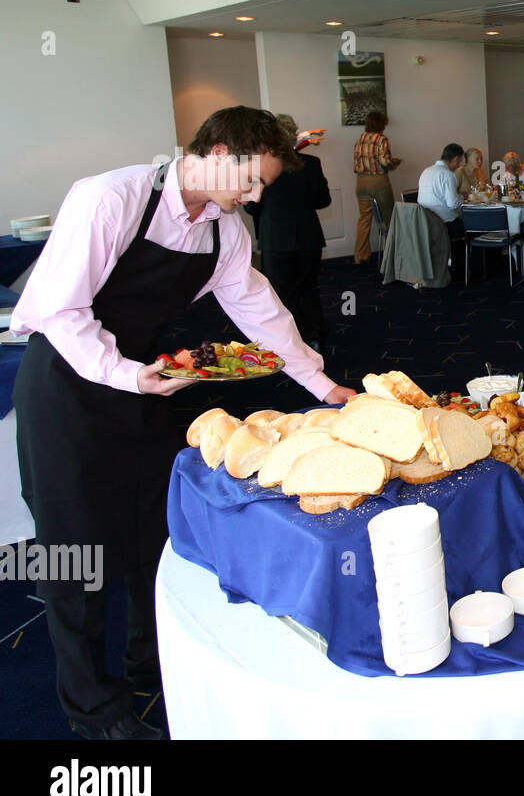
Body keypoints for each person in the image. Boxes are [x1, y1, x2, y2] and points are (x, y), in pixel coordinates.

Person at [10, 106, 356, 740]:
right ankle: (94, 710)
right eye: (251, 182)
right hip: (65, 385)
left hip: (145, 384)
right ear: (218, 153)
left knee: (154, 531)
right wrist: (124, 373)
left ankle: (150, 664)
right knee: (72, 550)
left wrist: (324, 385)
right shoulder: (109, 198)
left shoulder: (224, 231)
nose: (255, 197)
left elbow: (261, 311)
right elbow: (60, 313)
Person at [243, 113, 331, 348]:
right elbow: (323, 201)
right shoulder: (312, 163)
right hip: (309, 237)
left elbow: (251, 207)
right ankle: (314, 335)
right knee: (308, 287)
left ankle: (291, 340)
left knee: (281, 292)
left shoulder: (261, 167)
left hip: (275, 239)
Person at [352, 110, 401, 263]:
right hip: (378, 181)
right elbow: (384, 161)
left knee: (364, 219)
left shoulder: (360, 138)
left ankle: (360, 255)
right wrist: (394, 163)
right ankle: (394, 253)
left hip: (361, 181)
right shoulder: (381, 139)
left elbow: (356, 163)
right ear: (381, 124)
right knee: (389, 217)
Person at [418, 143, 466, 240]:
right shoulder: (448, 174)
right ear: (455, 159)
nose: (459, 165)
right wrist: (462, 197)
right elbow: (453, 204)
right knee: (473, 226)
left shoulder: (426, 170)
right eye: (460, 161)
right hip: (444, 224)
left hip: (425, 222)